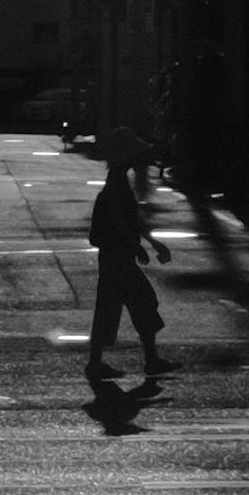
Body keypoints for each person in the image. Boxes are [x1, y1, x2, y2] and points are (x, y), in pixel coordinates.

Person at [84, 148, 163, 388]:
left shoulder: (117, 183)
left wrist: (149, 243)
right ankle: (149, 359)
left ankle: (101, 362)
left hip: (115, 256)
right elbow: (121, 220)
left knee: (123, 305)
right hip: (118, 256)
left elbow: (129, 220)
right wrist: (137, 245)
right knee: (140, 302)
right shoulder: (118, 187)